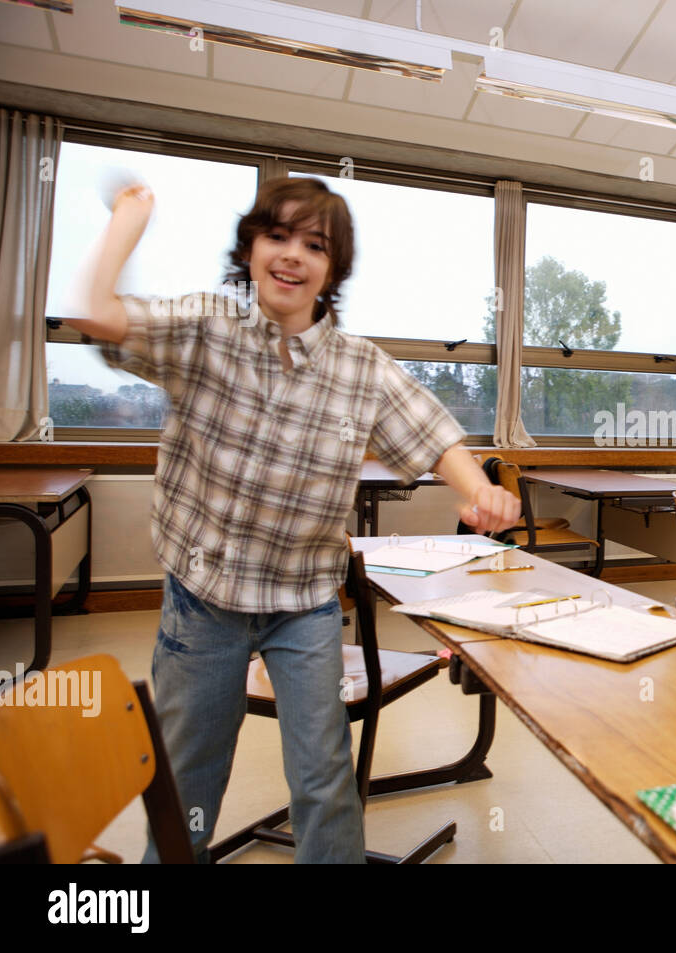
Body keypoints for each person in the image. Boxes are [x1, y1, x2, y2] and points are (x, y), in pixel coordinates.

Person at [66, 176, 520, 863]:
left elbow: (430, 433)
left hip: (302, 602)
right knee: (188, 780)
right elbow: (95, 313)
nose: (293, 255)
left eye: (315, 245)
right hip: (203, 600)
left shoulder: (358, 367)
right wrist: (129, 218)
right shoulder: (206, 328)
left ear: (332, 270)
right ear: (249, 248)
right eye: (277, 235)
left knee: (325, 775)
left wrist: (477, 489)